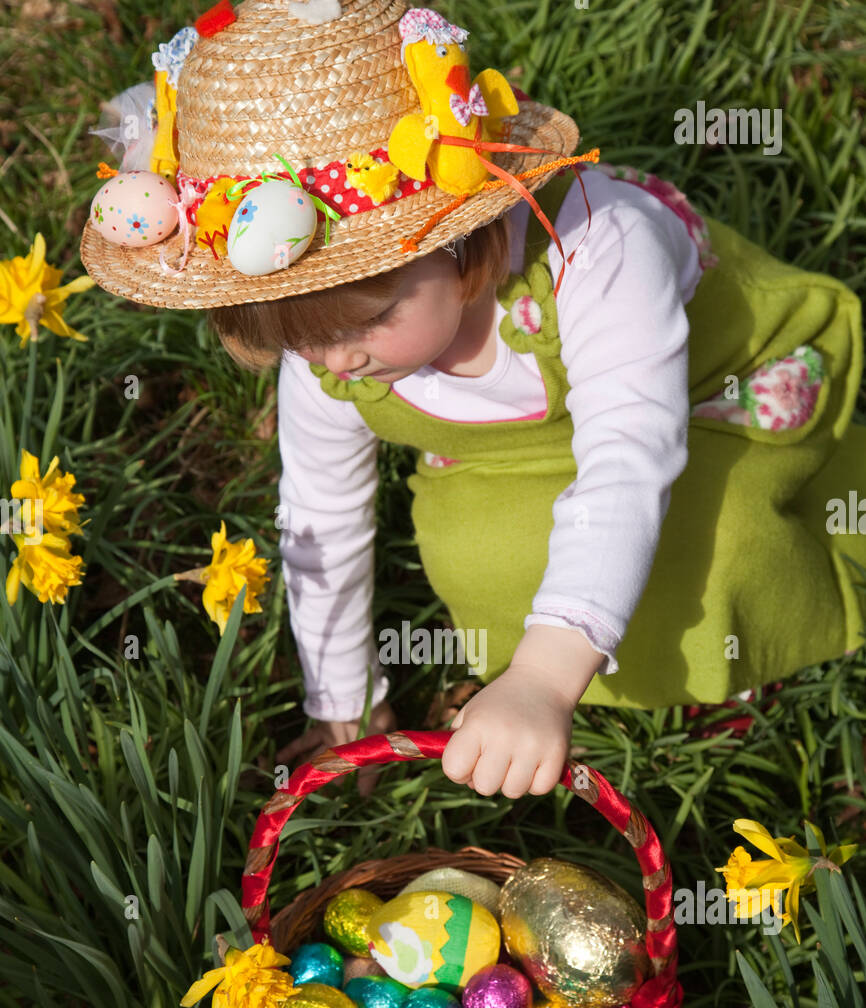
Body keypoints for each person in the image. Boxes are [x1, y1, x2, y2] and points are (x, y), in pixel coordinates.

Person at [81, 2, 866, 801]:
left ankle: (754, 655)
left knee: (726, 541)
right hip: (522, 447)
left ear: (462, 241)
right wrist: (345, 703)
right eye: (301, 343)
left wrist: (545, 677)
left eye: (374, 321)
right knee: (471, 552)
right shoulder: (329, 345)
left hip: (701, 397)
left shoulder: (597, 246)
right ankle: (575, 666)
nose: (338, 362)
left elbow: (630, 457)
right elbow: (321, 512)